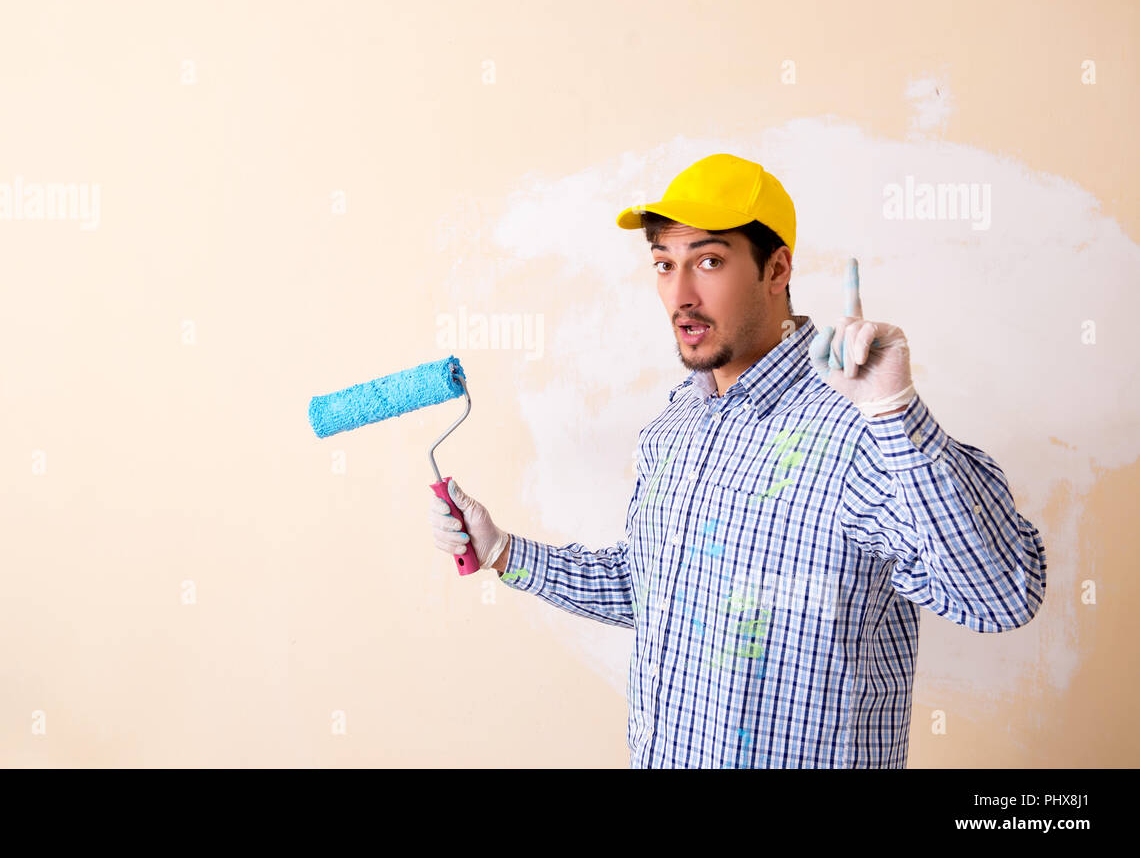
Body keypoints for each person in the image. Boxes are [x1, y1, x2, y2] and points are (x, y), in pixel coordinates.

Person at [428, 152, 1047, 768]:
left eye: (709, 261)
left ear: (777, 269)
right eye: (665, 265)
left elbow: (1002, 597)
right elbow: (650, 589)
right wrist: (502, 550)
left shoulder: (860, 420)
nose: (681, 295)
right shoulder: (675, 426)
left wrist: (896, 414)